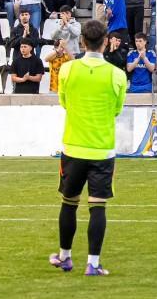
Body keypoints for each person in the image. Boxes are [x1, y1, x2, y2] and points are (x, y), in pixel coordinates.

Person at [49, 20, 128, 276]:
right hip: (102, 148)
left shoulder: (68, 70)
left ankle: (65, 256)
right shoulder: (117, 75)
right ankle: (93, 263)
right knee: (98, 205)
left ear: (82, 41)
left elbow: (64, 102)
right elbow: (117, 110)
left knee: (69, 202)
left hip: (73, 147)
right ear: (105, 42)